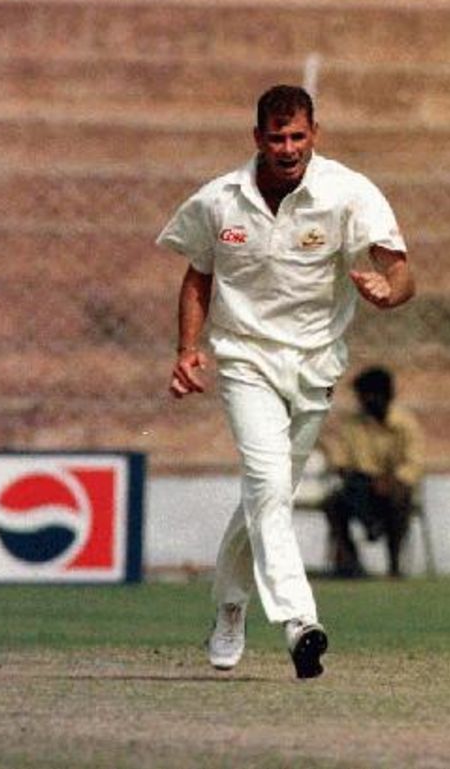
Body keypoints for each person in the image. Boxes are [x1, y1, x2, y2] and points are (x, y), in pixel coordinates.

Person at [157, 84, 415, 679]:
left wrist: (388, 293)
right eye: (277, 137)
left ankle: (228, 608)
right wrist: (186, 349)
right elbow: (198, 276)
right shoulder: (219, 199)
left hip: (315, 364)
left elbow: (401, 274)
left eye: (298, 136)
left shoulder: (347, 192)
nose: (288, 148)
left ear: (314, 135)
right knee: (268, 483)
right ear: (258, 139)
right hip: (245, 359)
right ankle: (300, 620)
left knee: (267, 496)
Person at [317, 366, 425, 580]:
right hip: (361, 486)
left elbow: (414, 464)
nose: (363, 401)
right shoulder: (353, 424)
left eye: (367, 395)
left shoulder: (405, 424)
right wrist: (343, 467)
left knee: (398, 499)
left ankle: (394, 566)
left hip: (393, 485)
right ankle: (351, 564)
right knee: (333, 504)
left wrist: (392, 481)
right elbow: (341, 458)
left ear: (384, 396)